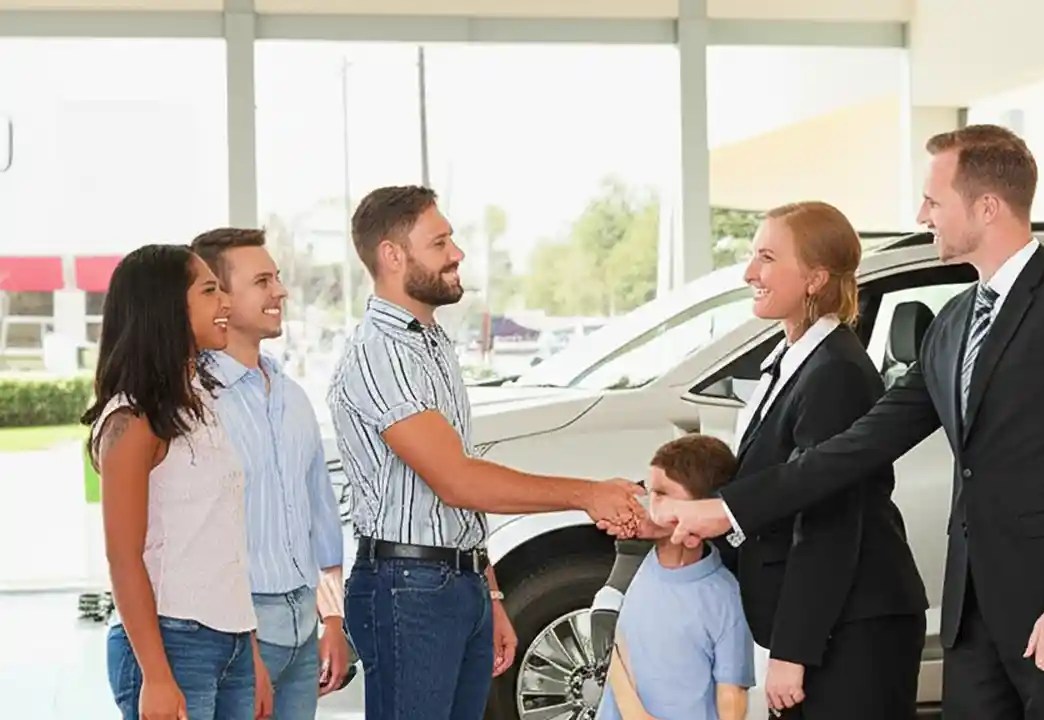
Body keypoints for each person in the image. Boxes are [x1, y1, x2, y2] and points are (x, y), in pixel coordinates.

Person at [648, 125, 1044, 719]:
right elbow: (860, 444)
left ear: (986, 207)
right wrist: (727, 508)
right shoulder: (955, 320)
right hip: (973, 615)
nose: (921, 214)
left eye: (934, 201)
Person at [326, 185, 645, 719]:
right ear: (392, 255)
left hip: (456, 583)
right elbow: (457, 480)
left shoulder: (428, 343)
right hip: (410, 592)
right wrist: (587, 494)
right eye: (440, 242)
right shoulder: (381, 354)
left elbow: (454, 498)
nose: (457, 254)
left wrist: (489, 591)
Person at [725, 201, 927, 718]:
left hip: (853, 627)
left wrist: (794, 650)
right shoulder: (799, 359)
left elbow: (829, 520)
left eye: (767, 257)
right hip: (831, 623)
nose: (751, 272)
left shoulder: (834, 371)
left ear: (815, 278)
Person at [85, 244, 272, 720]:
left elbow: (221, 541)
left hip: (228, 642)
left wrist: (248, 650)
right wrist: (156, 675)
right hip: (171, 645)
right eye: (210, 291)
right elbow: (123, 558)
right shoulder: (132, 420)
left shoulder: (200, 402)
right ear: (166, 306)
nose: (226, 303)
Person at [191, 228, 350, 719]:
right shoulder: (196, 403)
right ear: (219, 295)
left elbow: (320, 520)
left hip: (304, 628)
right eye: (263, 281)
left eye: (277, 278)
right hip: (235, 632)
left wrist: (333, 619)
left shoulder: (293, 396)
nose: (280, 291)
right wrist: (246, 643)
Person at [597, 434, 755, 720]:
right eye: (647, 490)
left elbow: (732, 696)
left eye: (660, 494)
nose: (644, 502)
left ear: (701, 511)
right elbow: (616, 646)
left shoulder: (724, 598)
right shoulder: (637, 566)